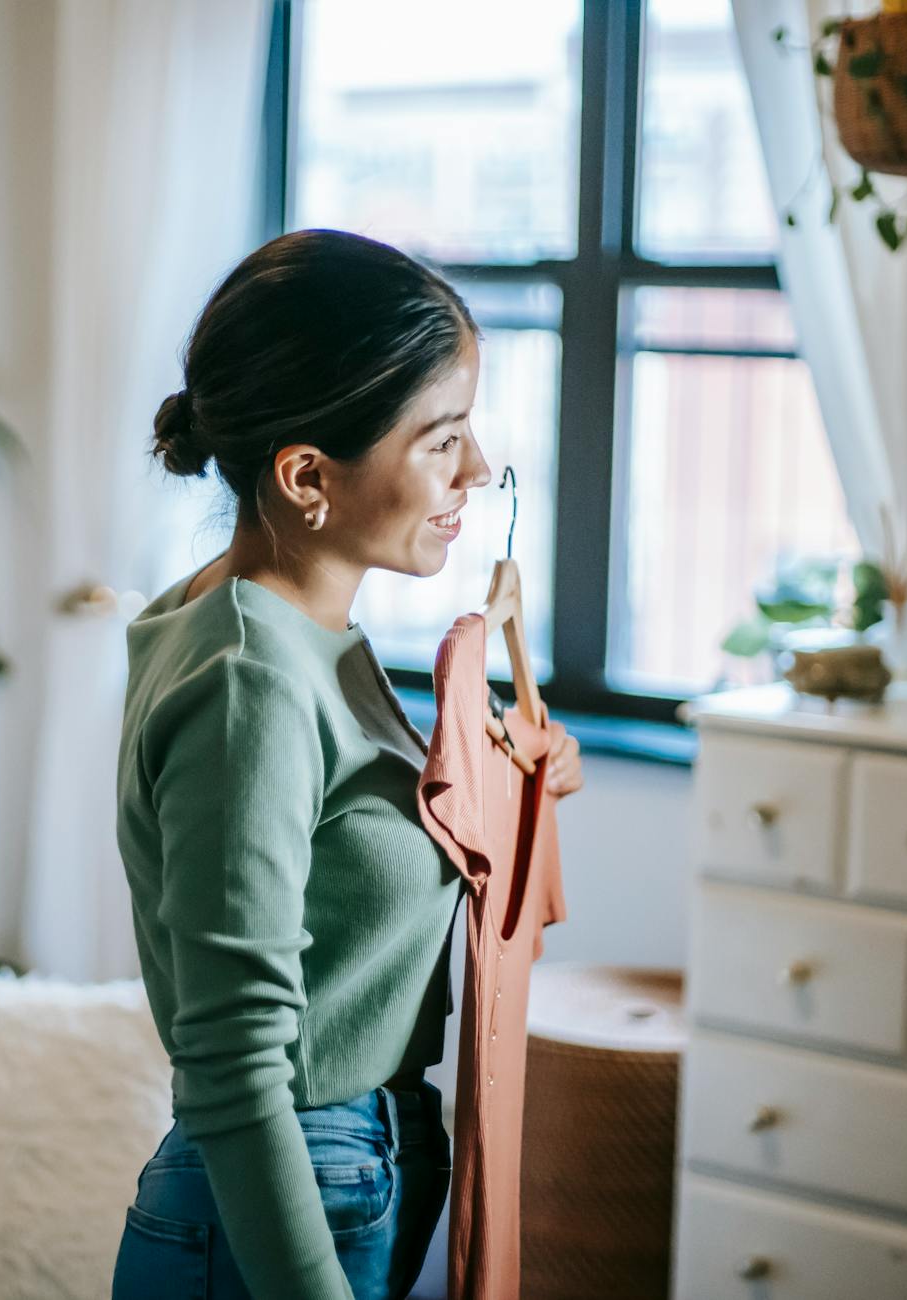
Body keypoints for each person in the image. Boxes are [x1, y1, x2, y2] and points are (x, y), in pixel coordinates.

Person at [111, 228, 584, 1300]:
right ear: (308, 475)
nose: (476, 469)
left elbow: (348, 849)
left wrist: (517, 778)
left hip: (348, 1162)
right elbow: (234, 1069)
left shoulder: (292, 627)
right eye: (440, 439)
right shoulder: (253, 677)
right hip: (297, 1183)